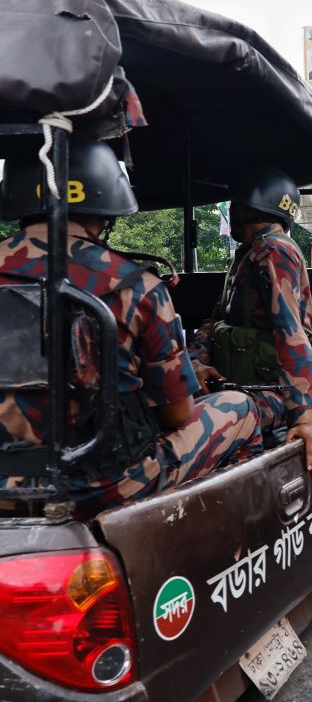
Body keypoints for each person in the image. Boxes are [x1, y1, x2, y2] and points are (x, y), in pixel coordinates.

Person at [0, 137, 263, 515]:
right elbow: (176, 416)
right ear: (105, 204)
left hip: (6, 487)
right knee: (239, 407)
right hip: (99, 485)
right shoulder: (135, 284)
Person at [191, 167, 312, 478]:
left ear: (253, 205)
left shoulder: (275, 252)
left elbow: (290, 333)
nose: (232, 210)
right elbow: (217, 319)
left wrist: (308, 417)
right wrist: (196, 362)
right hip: (237, 383)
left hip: (271, 395)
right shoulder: (249, 254)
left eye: (236, 203)